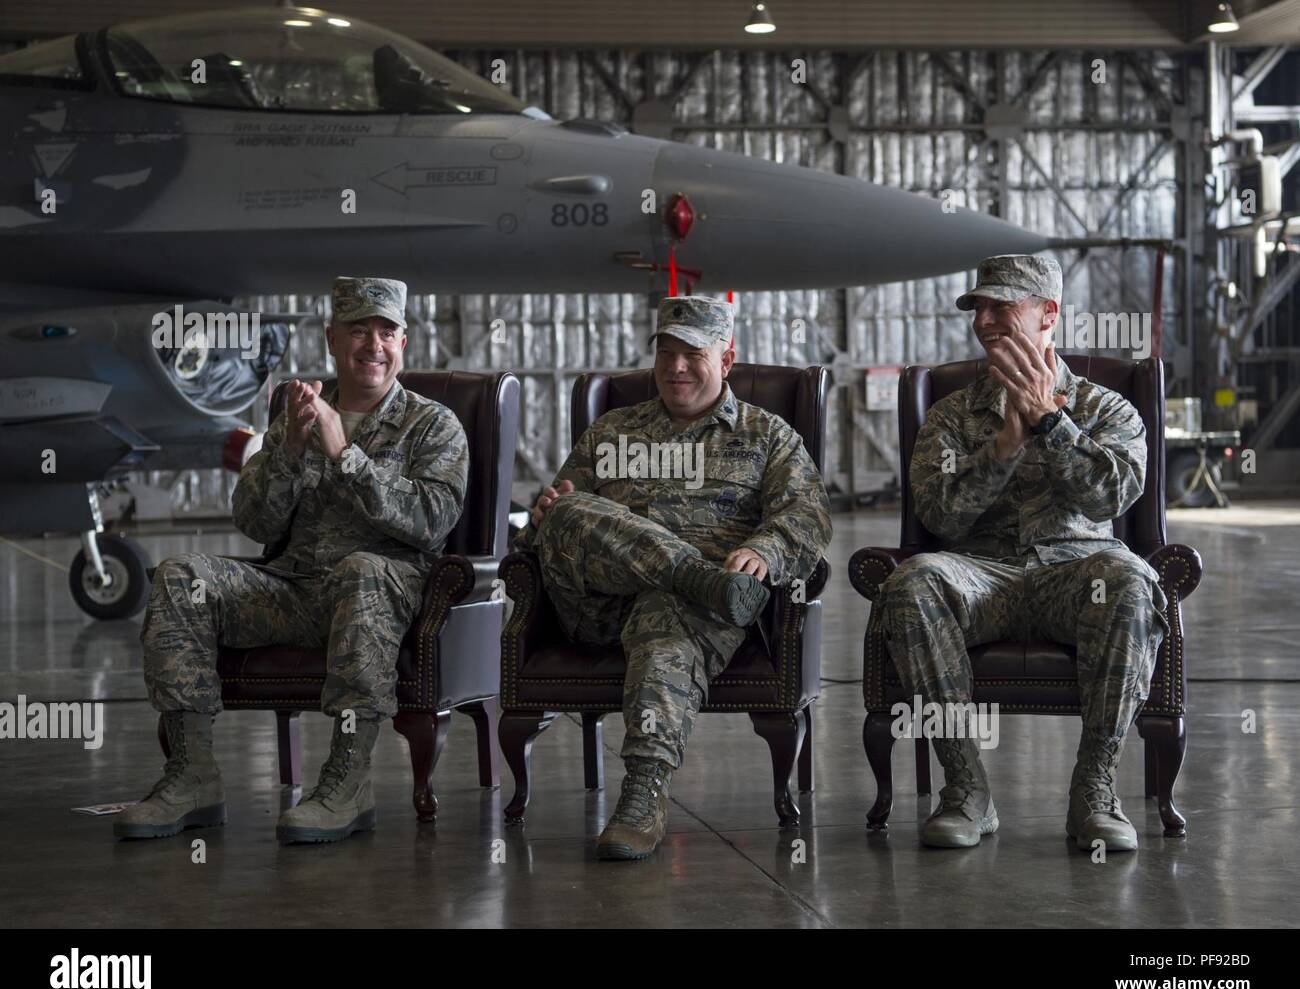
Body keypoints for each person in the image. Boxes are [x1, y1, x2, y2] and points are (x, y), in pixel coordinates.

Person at [117, 277, 469, 845]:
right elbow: (254, 522)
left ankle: (347, 783)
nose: (373, 346)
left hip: (383, 593)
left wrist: (345, 454)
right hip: (295, 591)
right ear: (332, 339)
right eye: (358, 331)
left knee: (362, 571)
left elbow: (431, 520)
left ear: (404, 342)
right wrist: (288, 452)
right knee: (183, 577)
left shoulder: (433, 425)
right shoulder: (296, 418)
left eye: (386, 332)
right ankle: (191, 778)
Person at [516, 295, 832, 860]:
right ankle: (698, 577)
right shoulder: (613, 431)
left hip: (695, 616)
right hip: (599, 604)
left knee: (668, 616)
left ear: (727, 359)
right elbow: (556, 521)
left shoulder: (767, 436)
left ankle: (642, 794)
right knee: (570, 511)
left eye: (693, 353)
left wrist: (765, 547)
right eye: (666, 352)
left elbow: (807, 517)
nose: (676, 366)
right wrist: (544, 516)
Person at [876, 254, 1168, 852]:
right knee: (913, 583)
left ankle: (1095, 790)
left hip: (1075, 569)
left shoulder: (1105, 408)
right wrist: (1004, 446)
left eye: (1001, 307)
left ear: (1047, 315)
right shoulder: (953, 415)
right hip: (981, 574)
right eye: (978, 307)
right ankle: (965, 792)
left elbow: (1111, 493)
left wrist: (1050, 425)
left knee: (1130, 582)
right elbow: (939, 514)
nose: (985, 320)